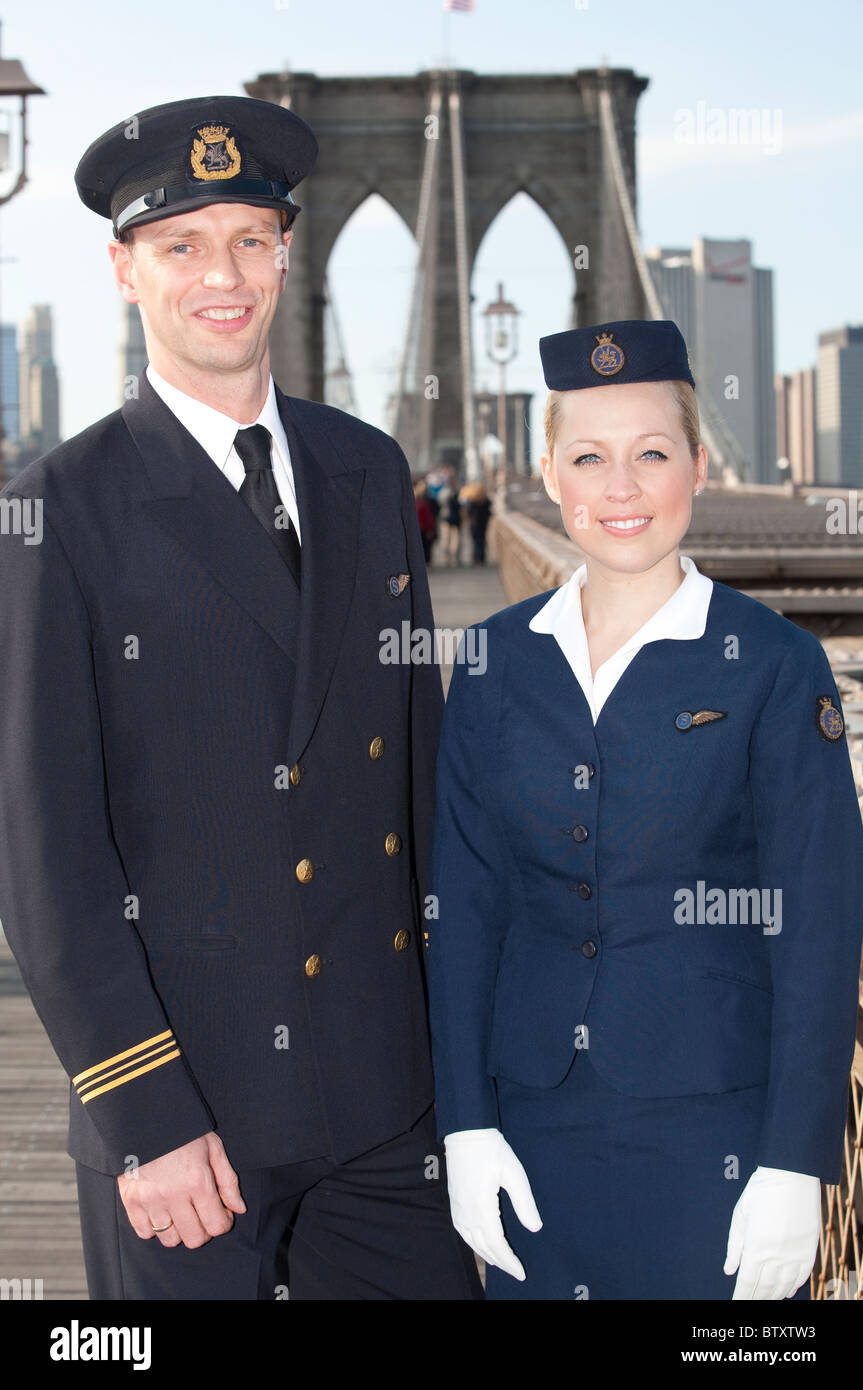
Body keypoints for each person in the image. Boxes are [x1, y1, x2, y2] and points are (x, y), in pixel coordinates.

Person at [0, 95, 481, 1302]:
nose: (222, 275)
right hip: (188, 1116)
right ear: (125, 268)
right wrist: (138, 1106)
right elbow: (43, 848)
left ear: (284, 254)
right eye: (180, 246)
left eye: (250, 240)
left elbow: (414, 782)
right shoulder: (58, 510)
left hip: (386, 1097)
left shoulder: (366, 468)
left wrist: (462, 1073)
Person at [424, 319, 863, 1300]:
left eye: (650, 453)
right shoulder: (493, 664)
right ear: (548, 473)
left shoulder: (773, 665)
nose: (619, 487)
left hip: (717, 1139)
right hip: (529, 1134)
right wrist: (463, 1125)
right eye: (588, 455)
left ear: (697, 466)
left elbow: (818, 928)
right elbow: (462, 912)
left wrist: (795, 1162)